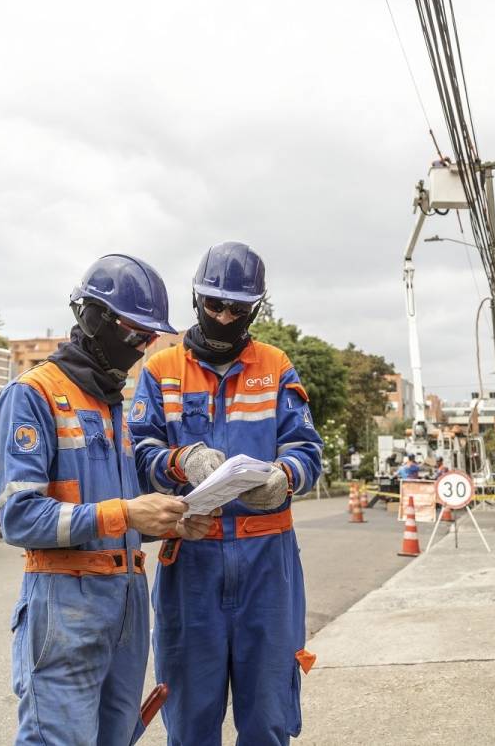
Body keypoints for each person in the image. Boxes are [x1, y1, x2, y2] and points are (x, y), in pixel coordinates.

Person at [0, 254, 214, 746]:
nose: (142, 348)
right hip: (65, 604)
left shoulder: (113, 405)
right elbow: (20, 517)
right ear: (93, 319)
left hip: (126, 604)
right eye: (135, 334)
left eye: (150, 338)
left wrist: (169, 523)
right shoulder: (32, 395)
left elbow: (120, 511)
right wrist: (128, 512)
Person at [131, 241, 323, 746]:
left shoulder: (276, 365)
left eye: (237, 308)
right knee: (192, 717)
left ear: (254, 308)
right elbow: (137, 453)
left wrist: (285, 475)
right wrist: (179, 460)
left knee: (268, 714)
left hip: (268, 565)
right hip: (191, 563)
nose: (223, 316)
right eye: (214, 304)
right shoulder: (160, 370)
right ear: (196, 298)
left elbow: (307, 450)